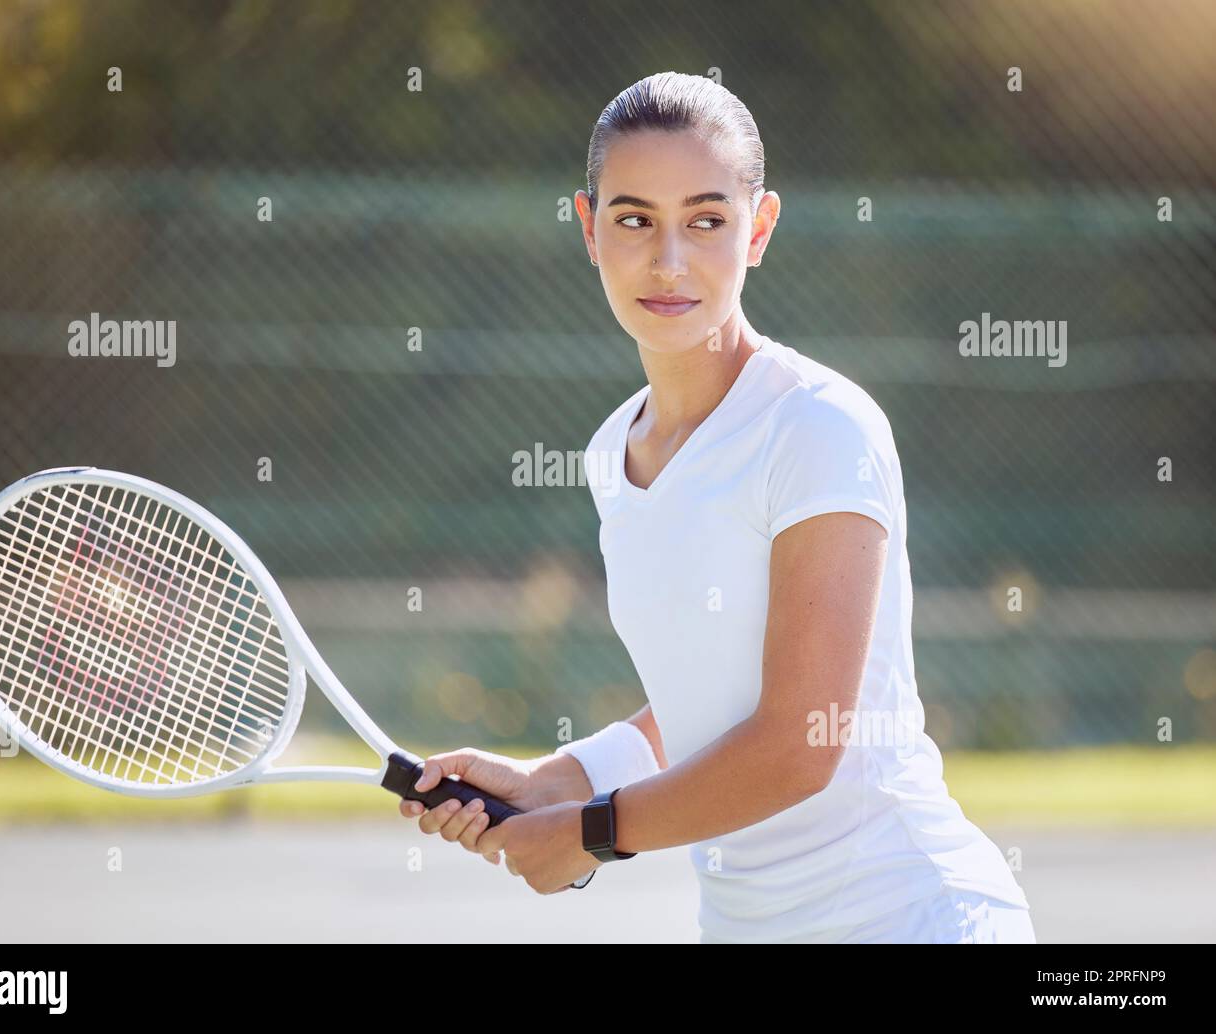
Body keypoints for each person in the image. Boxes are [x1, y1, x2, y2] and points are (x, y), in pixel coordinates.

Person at [399, 71, 1035, 944]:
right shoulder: (609, 454)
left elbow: (799, 745)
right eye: (634, 220)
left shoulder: (817, 426)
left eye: (706, 220)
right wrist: (560, 778)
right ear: (589, 229)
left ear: (759, 228)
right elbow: (712, 696)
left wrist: (591, 834)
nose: (669, 260)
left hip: (915, 919)